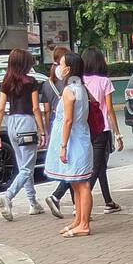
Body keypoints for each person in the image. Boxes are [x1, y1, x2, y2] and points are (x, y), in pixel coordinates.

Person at [42, 50, 94, 236]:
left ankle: (84, 224)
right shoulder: (81, 87)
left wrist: (62, 146)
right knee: (76, 183)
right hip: (81, 137)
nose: (58, 68)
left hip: (74, 141)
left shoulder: (69, 90)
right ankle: (79, 220)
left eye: (61, 65)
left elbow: (68, 120)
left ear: (68, 70)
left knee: (82, 184)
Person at [0, 47, 47, 221]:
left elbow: (1, 108)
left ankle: (33, 203)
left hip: (12, 124)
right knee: (26, 168)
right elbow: (36, 108)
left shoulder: (6, 81)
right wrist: (42, 131)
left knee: (24, 165)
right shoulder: (31, 82)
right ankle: (8, 196)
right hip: (27, 124)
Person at [82, 46, 124, 214]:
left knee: (100, 167)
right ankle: (82, 203)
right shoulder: (104, 81)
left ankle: (108, 201)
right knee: (96, 166)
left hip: (86, 129)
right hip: (102, 129)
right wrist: (118, 134)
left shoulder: (80, 81)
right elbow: (110, 110)